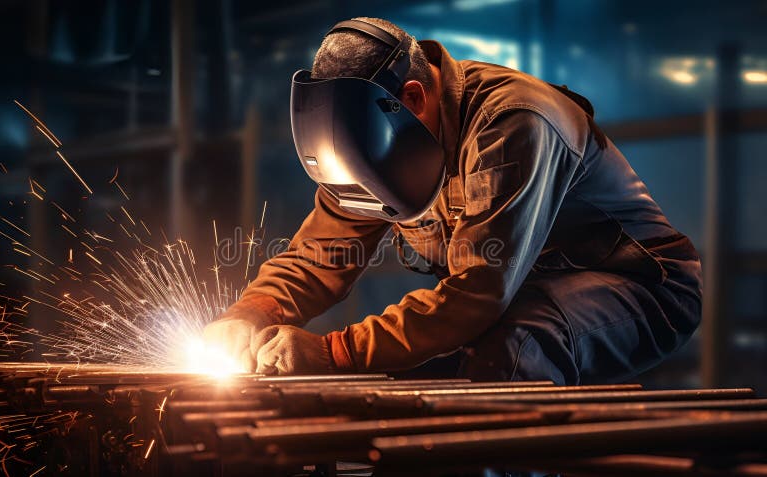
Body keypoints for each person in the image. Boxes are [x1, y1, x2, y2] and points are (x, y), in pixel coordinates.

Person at [203, 17, 702, 385]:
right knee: (423, 366)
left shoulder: (513, 122)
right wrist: (251, 314)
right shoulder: (368, 140)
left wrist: (334, 352)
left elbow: (478, 289)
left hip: (641, 288)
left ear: (414, 97)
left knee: (516, 346)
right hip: (510, 295)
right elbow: (320, 256)